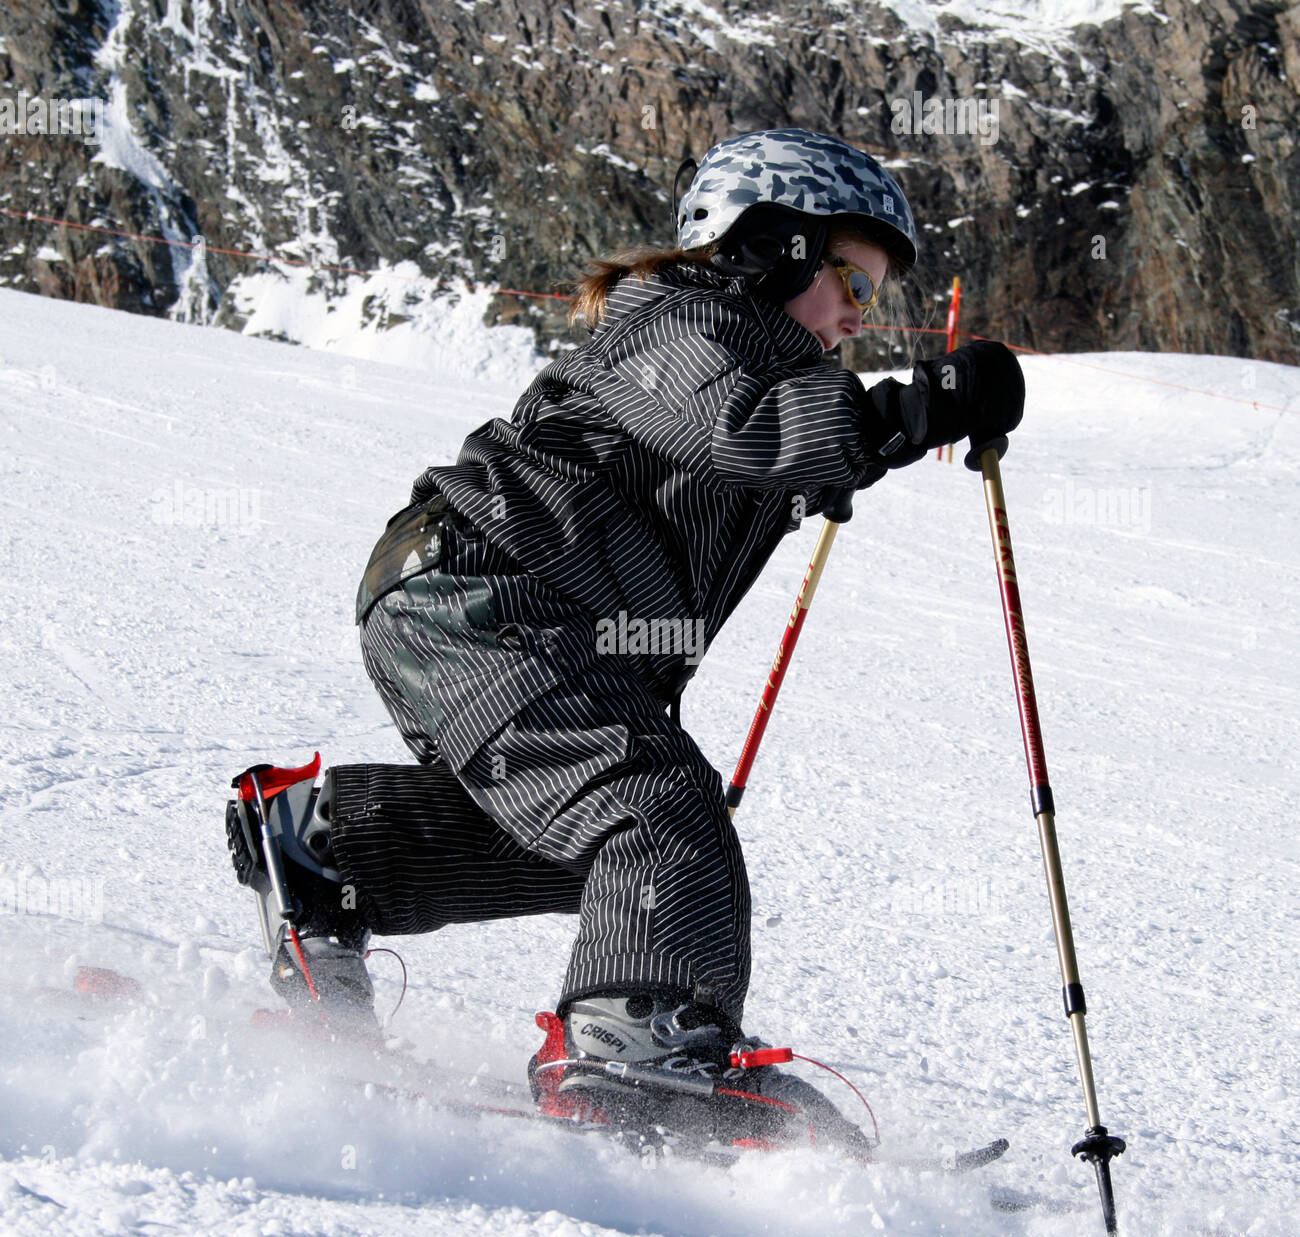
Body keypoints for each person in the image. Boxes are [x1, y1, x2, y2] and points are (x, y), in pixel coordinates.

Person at [226, 128, 1024, 1147]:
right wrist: (913, 409)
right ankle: (635, 1048)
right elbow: (740, 425)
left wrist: (848, 449)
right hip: (486, 592)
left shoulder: (748, 358)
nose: (855, 322)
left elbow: (745, 451)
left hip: (491, 609)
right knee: (656, 806)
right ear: (775, 245)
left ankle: (332, 848)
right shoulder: (682, 319)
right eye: (852, 286)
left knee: (597, 851)